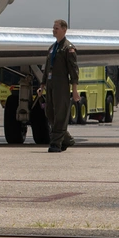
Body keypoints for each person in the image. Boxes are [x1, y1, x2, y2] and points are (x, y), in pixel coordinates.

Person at [43, 18, 79, 153]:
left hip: (62, 85)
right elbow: (47, 68)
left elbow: (74, 71)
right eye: (53, 28)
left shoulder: (68, 49)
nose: (54, 30)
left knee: (61, 114)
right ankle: (67, 139)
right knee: (50, 113)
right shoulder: (52, 48)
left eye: (56, 28)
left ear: (64, 30)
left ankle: (55, 143)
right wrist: (43, 84)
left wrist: (74, 90)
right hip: (51, 85)